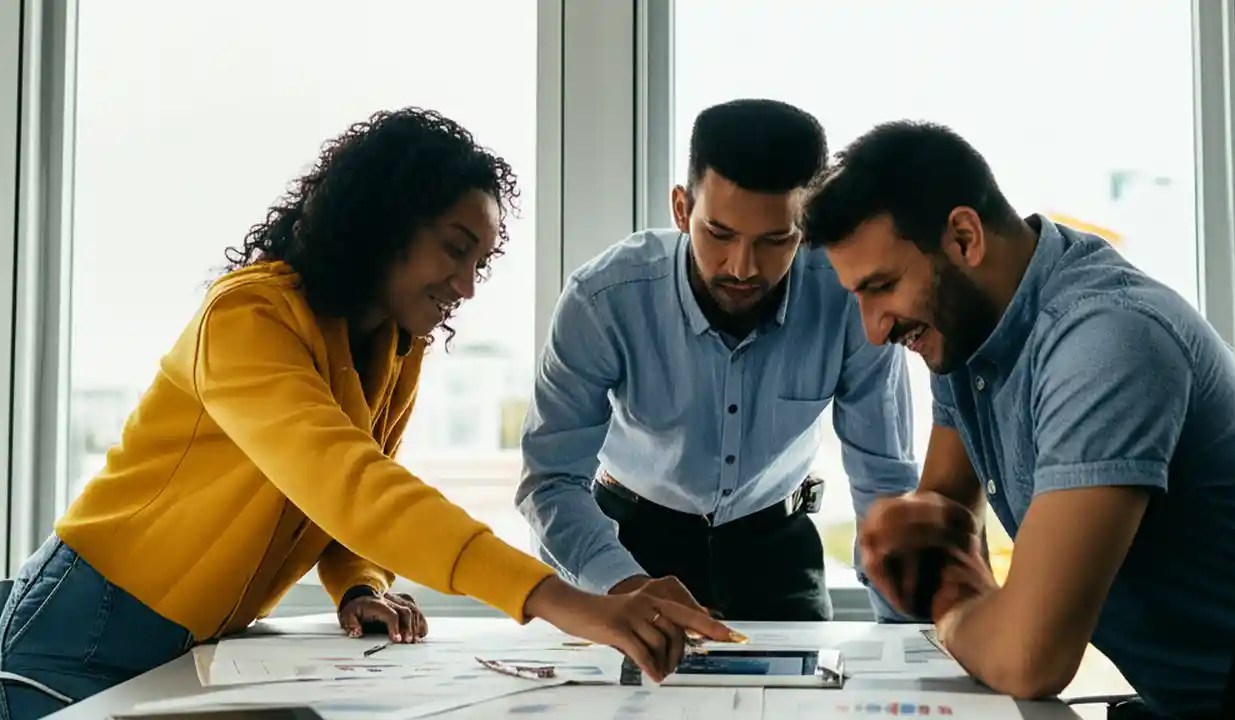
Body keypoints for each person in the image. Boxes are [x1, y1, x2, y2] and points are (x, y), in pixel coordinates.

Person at [0, 108, 734, 720]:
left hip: (196, 640)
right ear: (385, 225)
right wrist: (558, 600)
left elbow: (346, 500)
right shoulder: (247, 316)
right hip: (86, 621)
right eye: (455, 250)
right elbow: (347, 484)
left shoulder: (391, 343)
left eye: (480, 261)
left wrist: (359, 584)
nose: (467, 286)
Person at [801, 120, 1235, 717]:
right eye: (859, 297)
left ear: (964, 237)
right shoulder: (966, 332)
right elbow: (940, 522)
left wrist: (953, 611)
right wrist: (914, 540)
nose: (874, 331)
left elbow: (1033, 658)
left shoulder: (1105, 343)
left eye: (883, 286)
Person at [517, 99, 918, 623]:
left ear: (810, 227)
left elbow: (883, 480)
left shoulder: (849, 298)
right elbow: (550, 480)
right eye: (720, 234)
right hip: (625, 542)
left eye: (776, 240)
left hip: (777, 550)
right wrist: (623, 584)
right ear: (682, 208)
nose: (743, 267)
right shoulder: (603, 300)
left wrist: (910, 641)